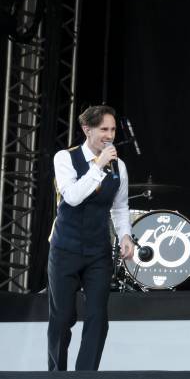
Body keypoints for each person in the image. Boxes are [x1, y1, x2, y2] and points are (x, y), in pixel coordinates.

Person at [48, 105, 133, 371]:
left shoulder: (119, 166)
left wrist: (125, 237)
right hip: (65, 247)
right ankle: (56, 374)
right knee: (62, 318)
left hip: (98, 250)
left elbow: (120, 207)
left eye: (113, 129)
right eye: (103, 129)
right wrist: (97, 165)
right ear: (87, 130)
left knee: (98, 318)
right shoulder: (65, 158)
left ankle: (85, 375)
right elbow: (72, 196)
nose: (110, 135)